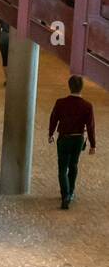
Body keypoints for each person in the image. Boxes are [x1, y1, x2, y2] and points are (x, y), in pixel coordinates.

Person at [48, 75, 96, 209]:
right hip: (78, 139)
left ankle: (65, 195)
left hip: (64, 138)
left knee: (62, 168)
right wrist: (93, 145)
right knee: (73, 165)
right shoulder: (87, 106)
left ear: (69, 86)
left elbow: (53, 119)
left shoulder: (60, 103)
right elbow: (91, 126)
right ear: (82, 88)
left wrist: (51, 134)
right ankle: (71, 191)